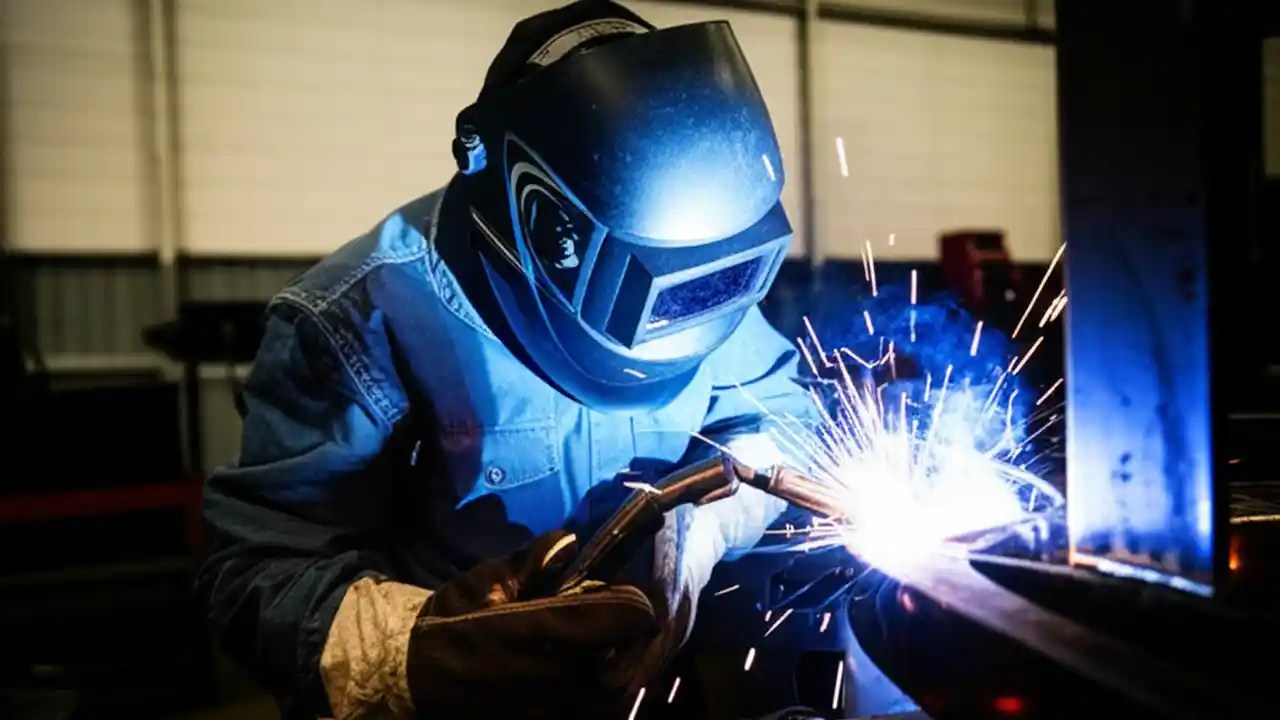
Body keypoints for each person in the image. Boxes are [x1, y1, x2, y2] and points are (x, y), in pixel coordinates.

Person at [197, 1, 816, 717]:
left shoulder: (706, 270)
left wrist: (710, 521)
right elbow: (255, 576)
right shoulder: (359, 315)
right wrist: (419, 646)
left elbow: (782, 421)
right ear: (546, 219)